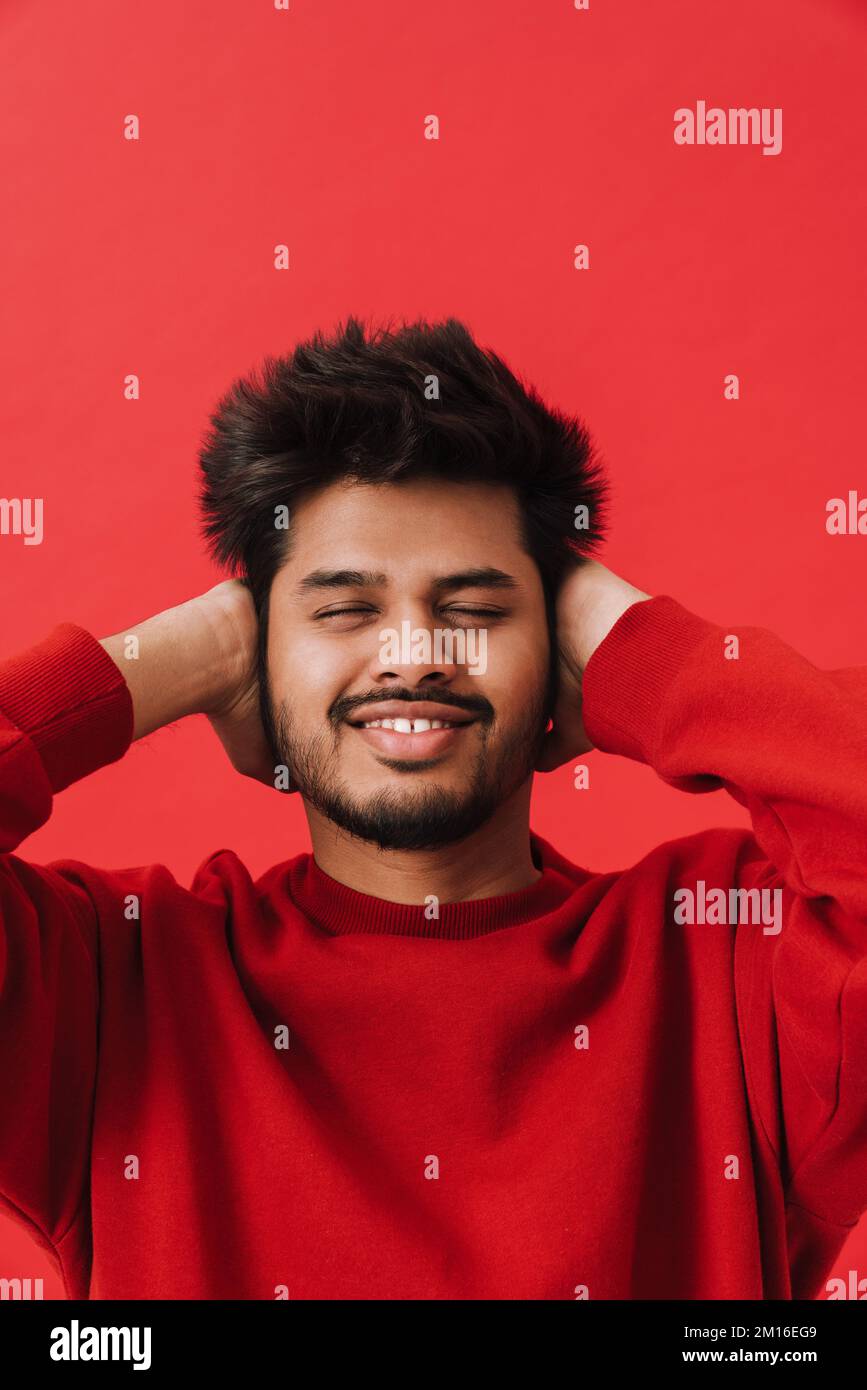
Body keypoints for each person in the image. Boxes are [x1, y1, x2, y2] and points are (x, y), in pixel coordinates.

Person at [1, 317, 865, 1300]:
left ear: (563, 656)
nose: (414, 653)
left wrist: (644, 654)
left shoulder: (731, 963)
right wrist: (161, 663)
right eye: (343, 609)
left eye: (475, 607)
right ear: (253, 658)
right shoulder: (112, 984)